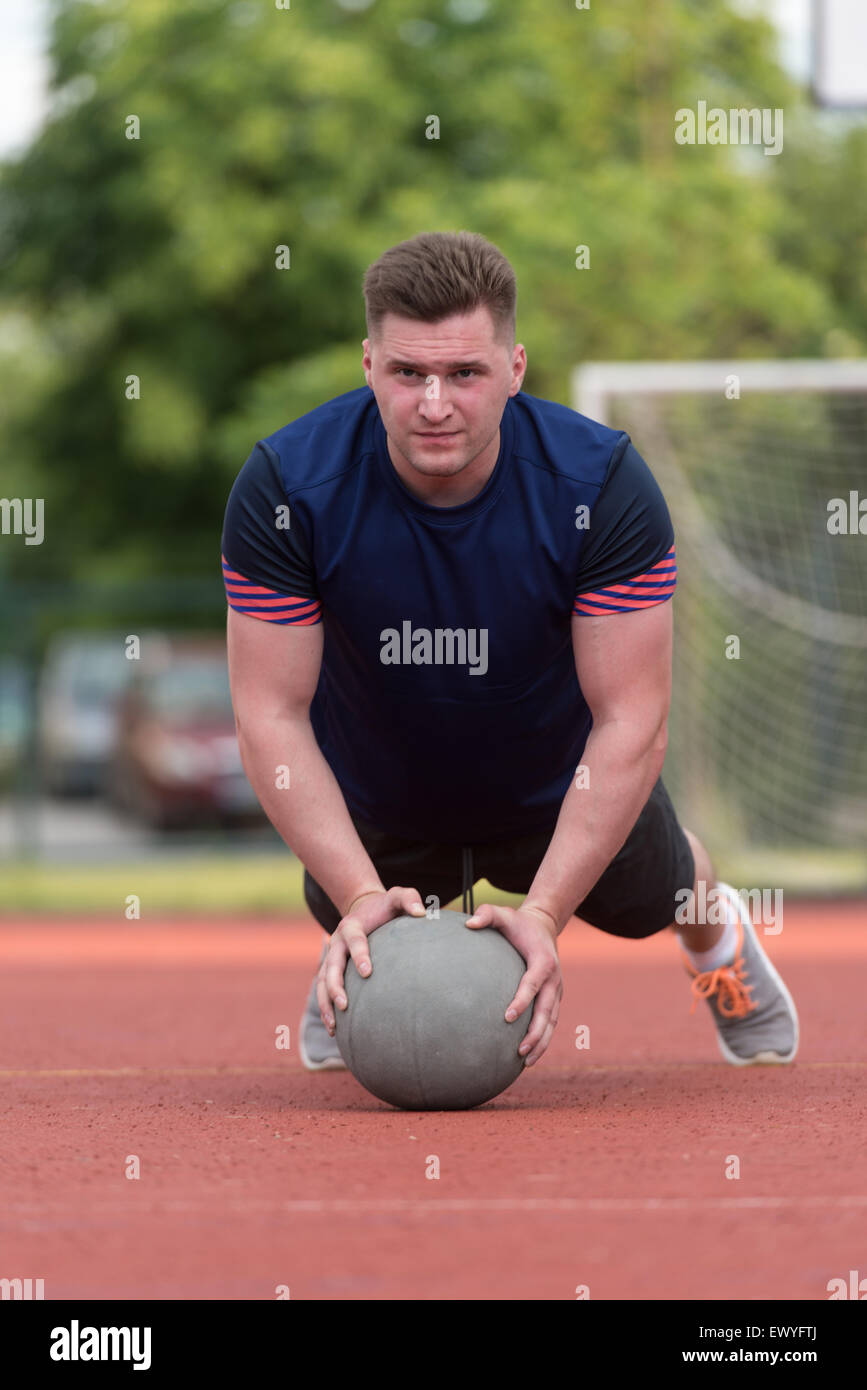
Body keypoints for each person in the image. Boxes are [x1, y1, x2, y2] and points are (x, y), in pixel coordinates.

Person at [221, 231, 798, 1075]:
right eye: (407, 373)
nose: (433, 403)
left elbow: (631, 715)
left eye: (465, 373)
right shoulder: (284, 489)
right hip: (385, 789)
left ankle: (722, 956)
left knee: (664, 896)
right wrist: (355, 895)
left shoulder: (601, 486)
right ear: (367, 364)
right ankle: (363, 972)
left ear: (516, 368)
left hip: (560, 784)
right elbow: (269, 712)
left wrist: (548, 913)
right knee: (345, 905)